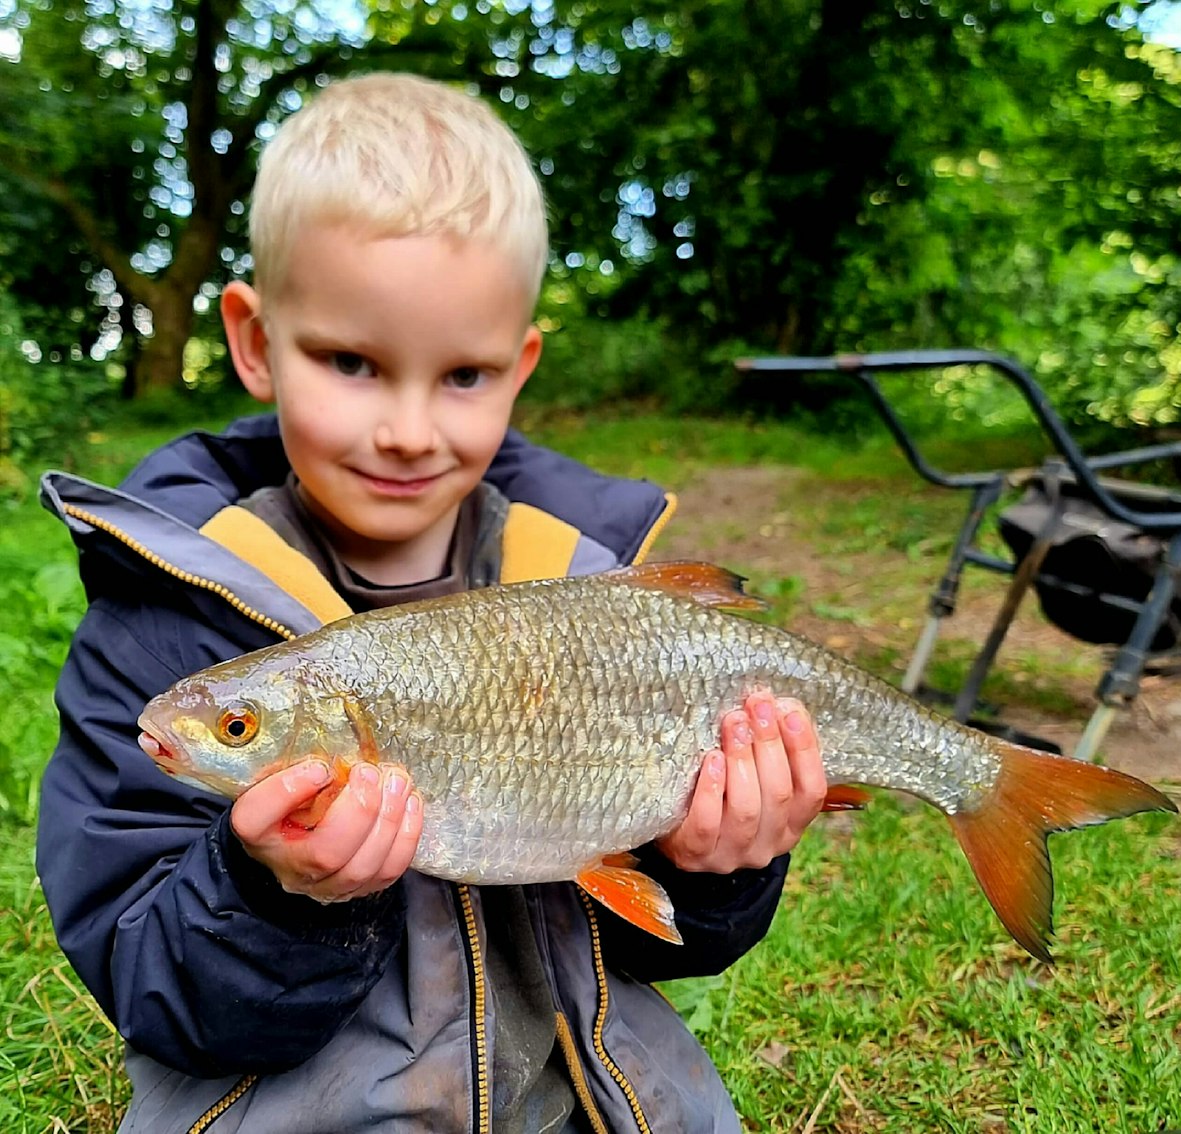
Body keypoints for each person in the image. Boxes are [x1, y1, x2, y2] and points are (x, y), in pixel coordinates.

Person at [37, 73, 827, 1133]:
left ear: (522, 365)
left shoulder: (587, 585)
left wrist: (719, 866)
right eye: (352, 361)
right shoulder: (163, 613)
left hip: (572, 1099)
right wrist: (275, 892)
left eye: (463, 375)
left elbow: (662, 943)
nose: (409, 429)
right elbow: (146, 975)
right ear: (256, 339)